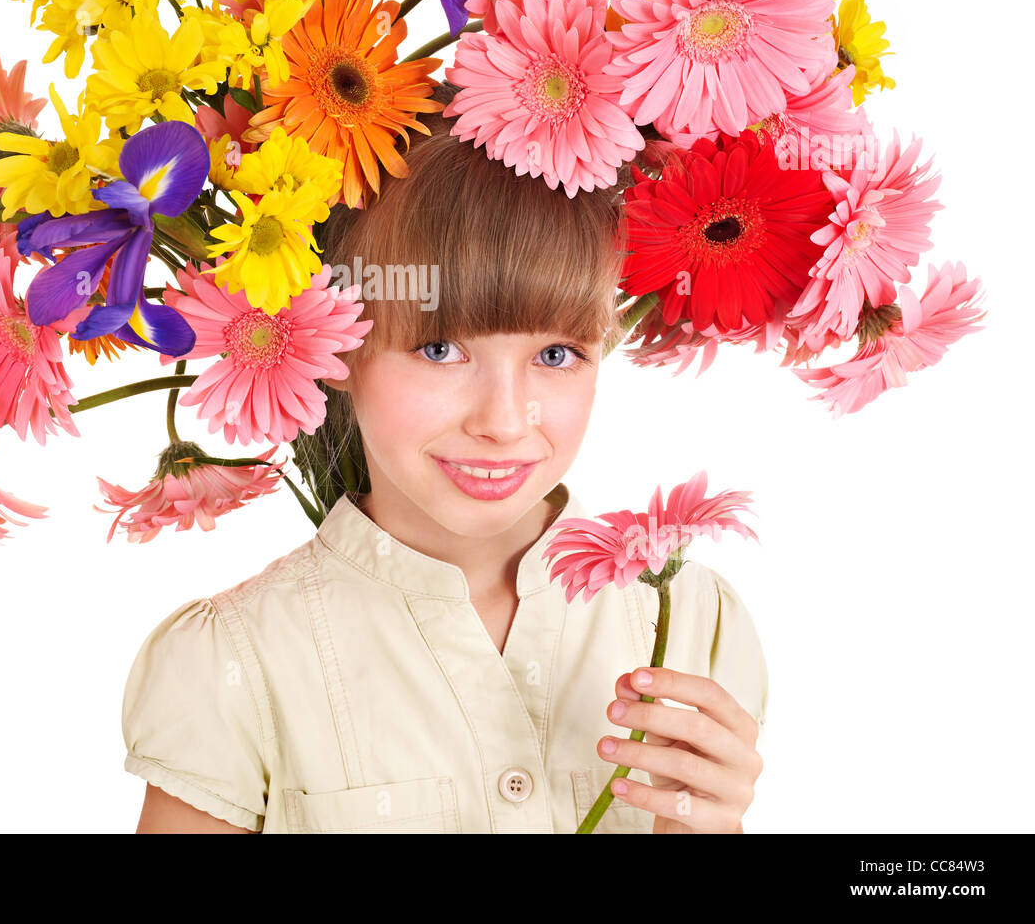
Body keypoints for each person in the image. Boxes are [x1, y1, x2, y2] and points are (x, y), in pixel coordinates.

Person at [122, 86, 768, 833]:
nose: (501, 421)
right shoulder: (237, 664)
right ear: (330, 341)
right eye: (439, 349)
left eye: (557, 354)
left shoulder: (683, 622)